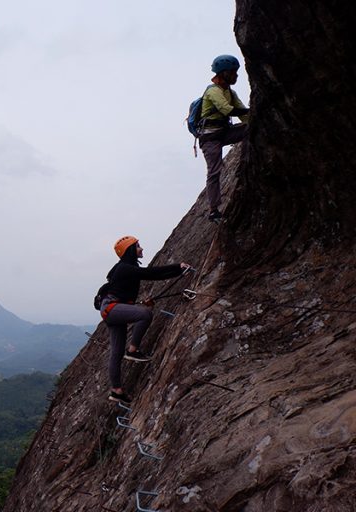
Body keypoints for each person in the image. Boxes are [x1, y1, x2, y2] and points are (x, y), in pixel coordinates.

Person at [98, 236, 191, 403]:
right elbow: (151, 274)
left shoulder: (126, 268)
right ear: (130, 250)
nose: (141, 249)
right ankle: (133, 350)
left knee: (116, 352)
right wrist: (178, 267)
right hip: (112, 308)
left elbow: (146, 278)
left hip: (113, 308)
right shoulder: (125, 268)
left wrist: (177, 271)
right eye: (138, 246)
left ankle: (116, 391)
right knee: (144, 314)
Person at [199, 54, 250, 222]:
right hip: (210, 138)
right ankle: (214, 211)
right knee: (214, 171)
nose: (236, 75)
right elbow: (227, 110)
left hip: (224, 132)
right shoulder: (213, 91)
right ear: (222, 73)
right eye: (232, 72)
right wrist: (253, 110)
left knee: (251, 128)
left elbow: (243, 114)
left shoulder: (230, 91)